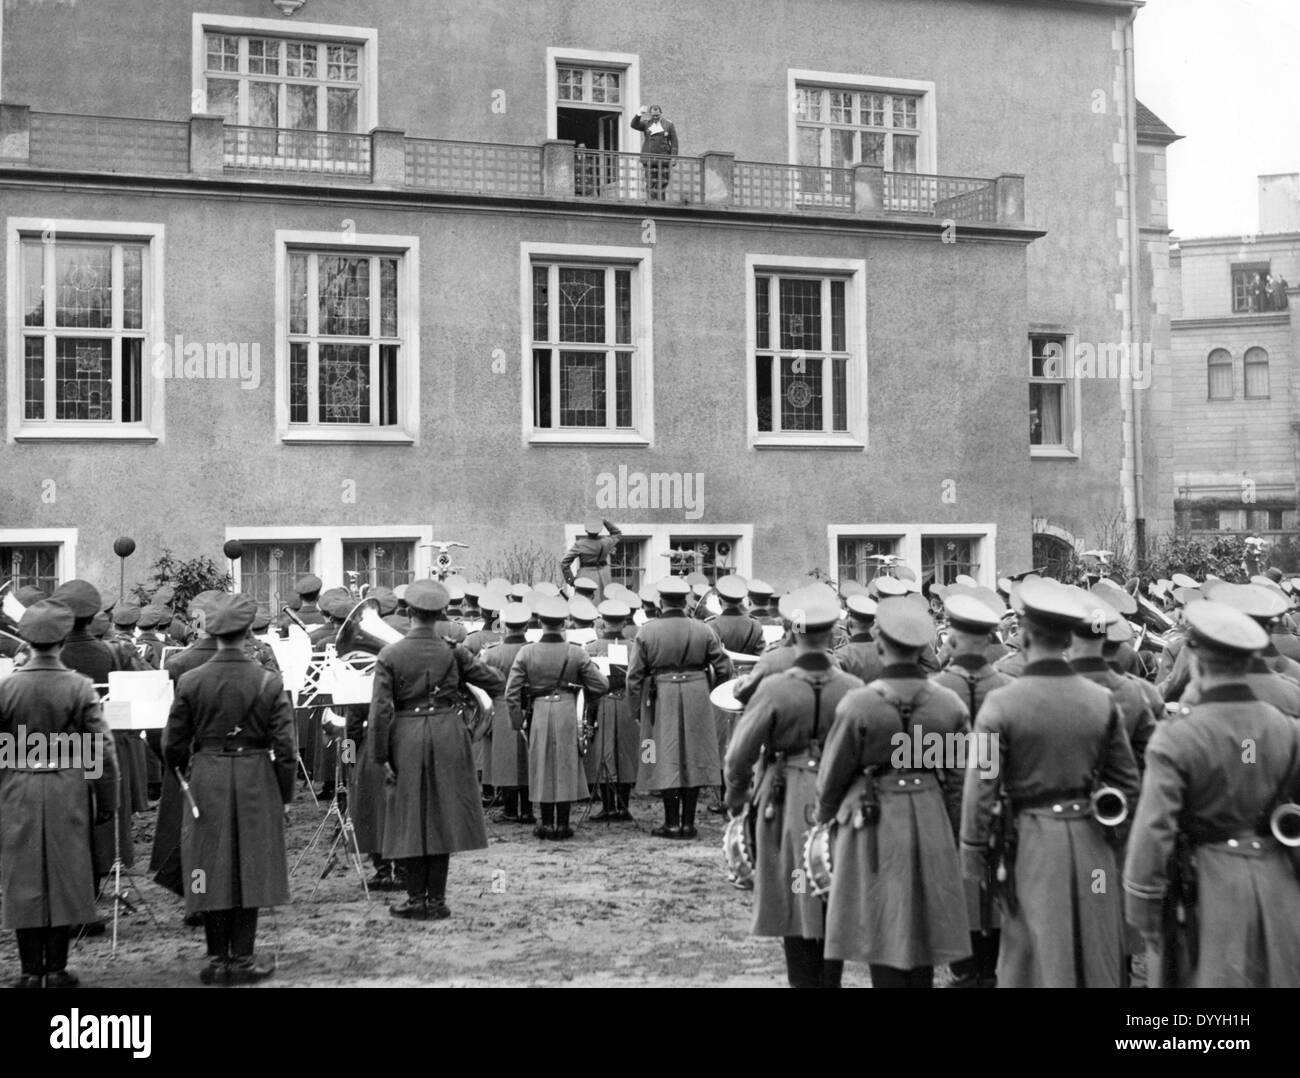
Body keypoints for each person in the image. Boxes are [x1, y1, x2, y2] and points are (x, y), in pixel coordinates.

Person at [960, 579, 1140, 988]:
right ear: (1067, 638)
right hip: (1092, 836)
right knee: (1093, 944)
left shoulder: (1002, 703)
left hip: (1030, 840)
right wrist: (1114, 837)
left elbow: (980, 786)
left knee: (1034, 950)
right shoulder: (1103, 700)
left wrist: (973, 851)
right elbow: (1128, 784)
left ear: (1023, 637)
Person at [1124, 601, 1300, 987]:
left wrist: (1142, 905)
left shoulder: (1175, 732)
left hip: (1206, 884)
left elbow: (1154, 828)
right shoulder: (1289, 726)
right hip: (1277, 880)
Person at [817, 597, 971, 987]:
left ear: (881, 646)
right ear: (923, 649)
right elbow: (961, 776)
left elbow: (833, 775)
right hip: (929, 811)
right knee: (922, 921)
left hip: (872, 813)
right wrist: (956, 831)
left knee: (882, 919)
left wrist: (826, 818)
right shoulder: (948, 703)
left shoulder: (858, 703)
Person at [725, 585, 862, 988]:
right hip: (837, 794)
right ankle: (828, 977)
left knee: (796, 881)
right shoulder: (852, 687)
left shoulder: (775, 686)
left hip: (785, 793)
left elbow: (739, 755)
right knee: (831, 886)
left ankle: (804, 978)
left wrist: (737, 795)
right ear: (833, 631)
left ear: (793, 631)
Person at [162, 593, 295, 984]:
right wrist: (284, 796)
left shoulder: (190, 679)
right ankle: (244, 958)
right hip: (256, 774)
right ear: (246, 631)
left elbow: (172, 743)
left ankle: (218, 959)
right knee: (251, 863)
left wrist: (182, 773)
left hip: (207, 775)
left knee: (207, 863)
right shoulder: (268, 680)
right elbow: (286, 749)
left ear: (214, 631)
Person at [0, 598, 119, 988]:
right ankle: (56, 969)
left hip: (17, 785)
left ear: (24, 639)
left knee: (22, 876)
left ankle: (30, 970)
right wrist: (107, 799)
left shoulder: (7, 687)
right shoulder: (79, 686)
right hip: (68, 784)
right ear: (63, 638)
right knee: (67, 873)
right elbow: (101, 748)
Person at [369, 580, 505, 920]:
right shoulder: (454, 651)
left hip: (407, 735)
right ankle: (438, 899)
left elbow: (380, 712)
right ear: (442, 613)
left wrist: (380, 755)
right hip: (448, 733)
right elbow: (495, 682)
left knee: (410, 815)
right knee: (442, 813)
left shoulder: (390, 654)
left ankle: (416, 899)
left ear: (408, 612)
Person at [930, 592, 1011, 988]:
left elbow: (910, 758)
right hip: (1002, 804)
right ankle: (991, 965)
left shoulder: (935, 690)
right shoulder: (1011, 687)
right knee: (997, 880)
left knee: (954, 885)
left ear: (954, 639)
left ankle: (963, 969)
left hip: (948, 803)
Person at [627, 576, 732, 838]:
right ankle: (688, 824)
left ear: (661, 602)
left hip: (663, 693)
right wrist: (710, 690)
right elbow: (725, 668)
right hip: (698, 693)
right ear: (685, 602)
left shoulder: (647, 631)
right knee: (694, 757)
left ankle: (671, 823)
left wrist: (636, 709)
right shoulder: (704, 630)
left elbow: (634, 676)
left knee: (666, 756)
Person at [505, 595, 609, 839]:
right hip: (566, 710)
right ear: (564, 623)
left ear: (540, 622)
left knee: (541, 764)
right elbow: (602, 685)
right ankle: (563, 824)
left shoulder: (526, 652)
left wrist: (517, 722)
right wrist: (581, 691)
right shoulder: (576, 653)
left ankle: (546, 823)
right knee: (565, 765)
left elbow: (512, 692)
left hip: (540, 710)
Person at [585, 599, 640, 820]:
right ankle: (623, 806)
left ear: (604, 622)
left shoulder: (591, 648)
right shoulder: (635, 646)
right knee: (626, 753)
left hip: (603, 703)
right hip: (627, 702)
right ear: (624, 622)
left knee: (604, 753)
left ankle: (608, 807)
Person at [482, 602, 535, 824]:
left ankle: (511, 810)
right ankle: (528, 810)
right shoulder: (534, 649)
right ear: (526, 626)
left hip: (502, 705)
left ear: (504, 626)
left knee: (507, 760)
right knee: (528, 758)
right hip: (532, 706)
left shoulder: (492, 653)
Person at [560, 518, 623, 603]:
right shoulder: (606, 542)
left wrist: (571, 581)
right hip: (604, 576)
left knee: (585, 603)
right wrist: (604, 521)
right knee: (605, 603)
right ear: (599, 530)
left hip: (586, 576)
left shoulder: (580, 544)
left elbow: (564, 563)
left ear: (586, 530)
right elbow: (617, 533)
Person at [631, 104, 679, 199]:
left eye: (657, 115)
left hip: (664, 159)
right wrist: (639, 114)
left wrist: (673, 157)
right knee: (650, 184)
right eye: (653, 115)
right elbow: (634, 125)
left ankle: (661, 206)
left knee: (662, 183)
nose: (655, 117)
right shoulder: (646, 124)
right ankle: (652, 205)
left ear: (661, 113)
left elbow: (674, 141)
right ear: (650, 114)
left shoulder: (668, 124)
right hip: (649, 159)